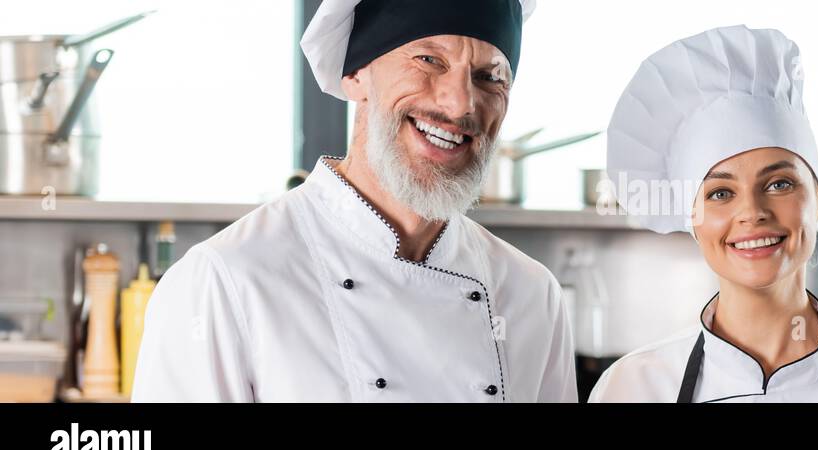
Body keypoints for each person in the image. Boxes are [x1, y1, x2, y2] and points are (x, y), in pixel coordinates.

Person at [132, 0, 577, 402]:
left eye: (489, 77)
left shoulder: (531, 294)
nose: (461, 104)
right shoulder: (226, 279)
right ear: (355, 73)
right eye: (428, 59)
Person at [590, 25, 818, 403]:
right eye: (720, 192)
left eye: (779, 184)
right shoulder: (633, 387)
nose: (752, 212)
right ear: (692, 221)